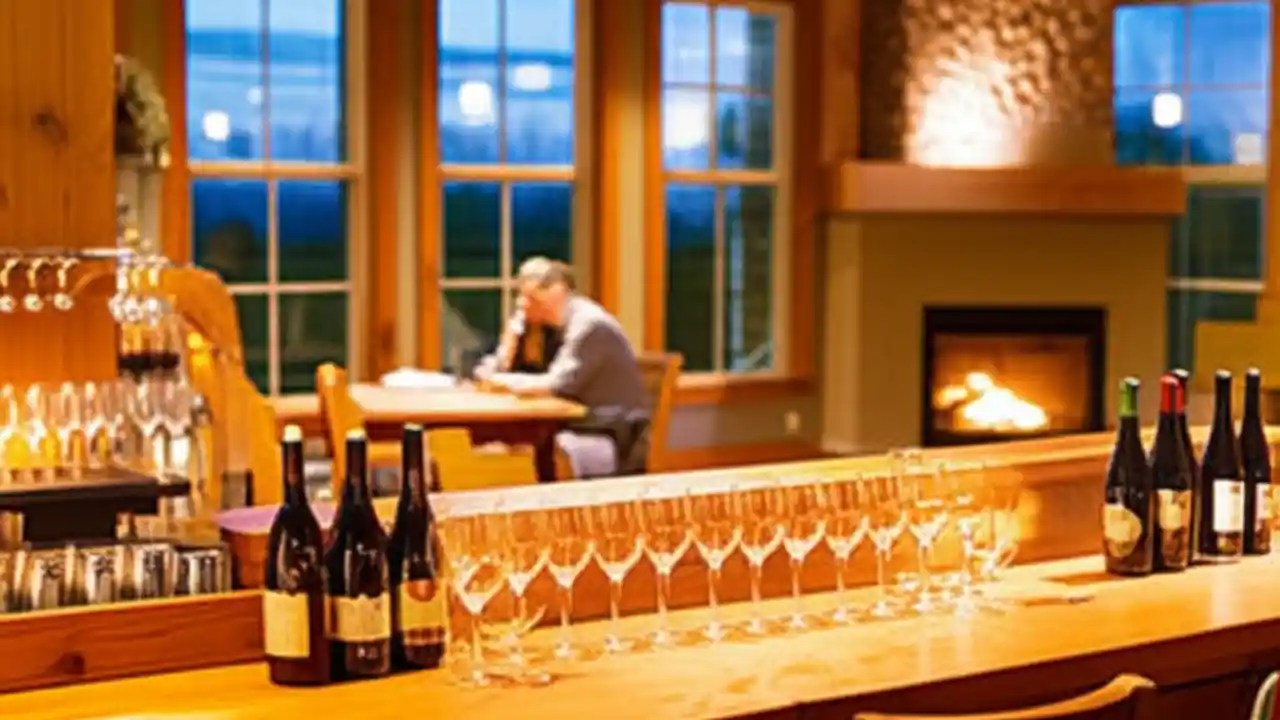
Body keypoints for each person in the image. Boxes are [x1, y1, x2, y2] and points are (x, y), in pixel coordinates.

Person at [476, 257, 649, 478]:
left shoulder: (590, 326)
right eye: (520, 296)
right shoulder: (544, 326)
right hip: (572, 421)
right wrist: (511, 341)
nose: (522, 304)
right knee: (502, 444)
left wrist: (500, 380)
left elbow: (555, 384)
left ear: (557, 291)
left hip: (612, 431)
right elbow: (496, 368)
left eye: (531, 297)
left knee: (534, 447)